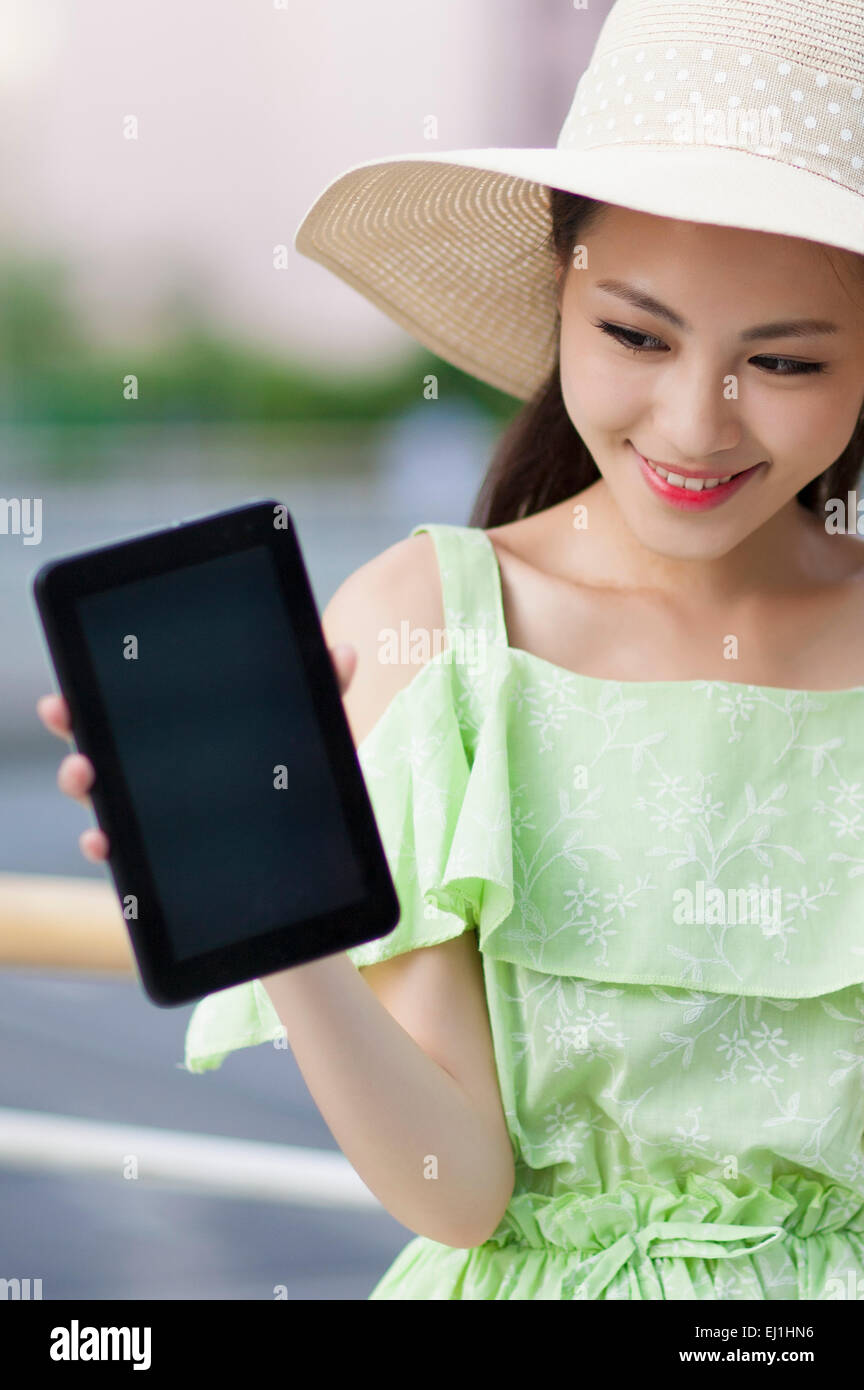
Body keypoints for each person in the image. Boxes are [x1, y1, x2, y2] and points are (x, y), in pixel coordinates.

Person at [37, 0, 864, 1299]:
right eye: (636, 335)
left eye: (784, 359)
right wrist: (278, 928)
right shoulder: (435, 621)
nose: (696, 424)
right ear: (558, 294)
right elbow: (456, 1192)